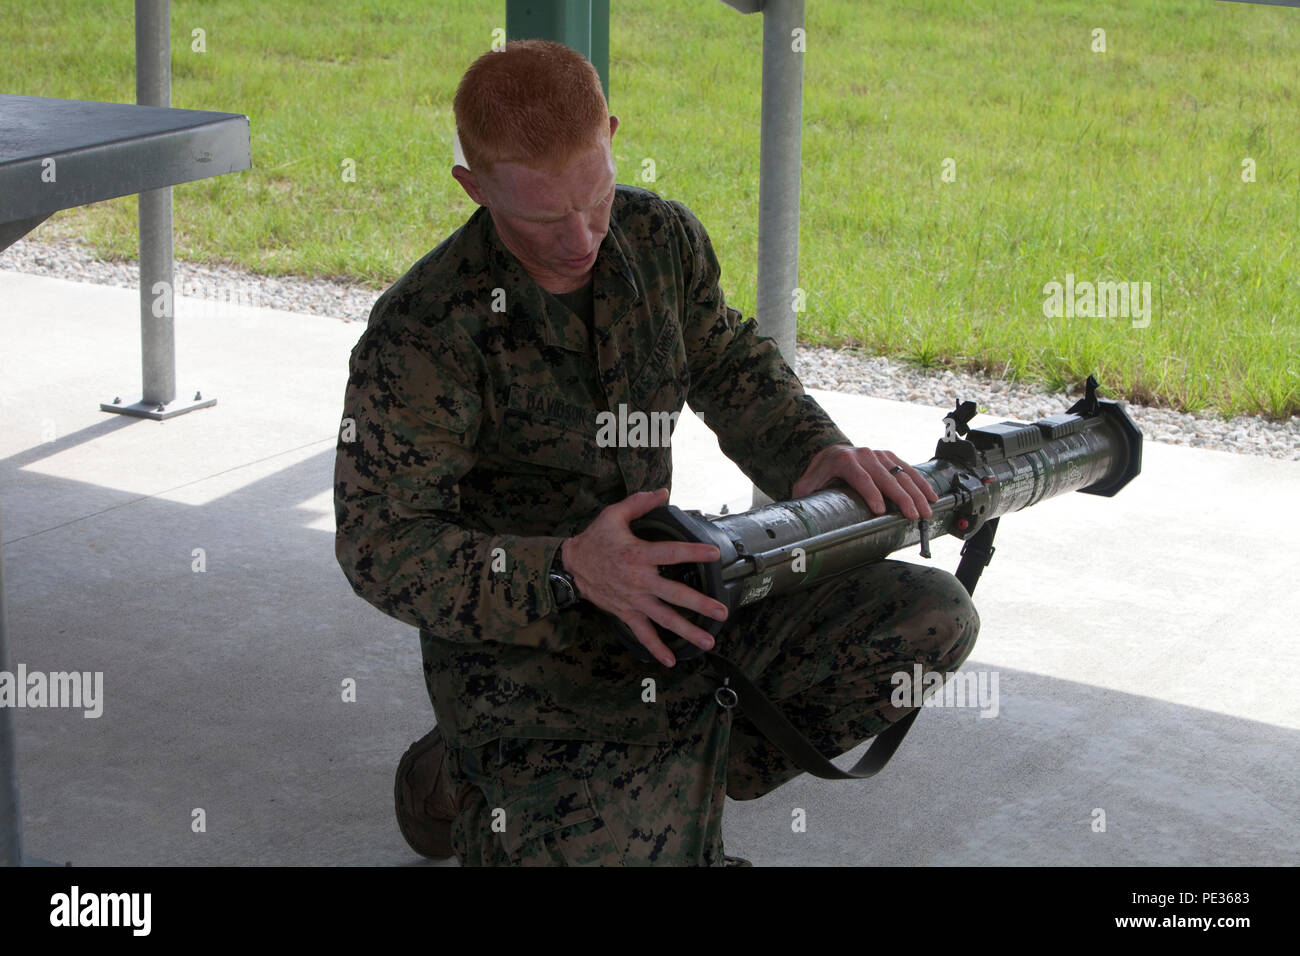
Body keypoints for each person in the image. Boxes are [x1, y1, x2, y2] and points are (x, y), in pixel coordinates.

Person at [333, 39, 979, 866]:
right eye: (540, 217)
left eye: (593, 199)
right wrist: (566, 569)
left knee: (929, 619)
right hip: (531, 648)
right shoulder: (425, 333)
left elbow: (729, 360)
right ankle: (477, 774)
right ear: (473, 184)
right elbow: (381, 547)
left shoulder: (659, 237)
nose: (579, 239)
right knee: (611, 834)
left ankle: (667, 779)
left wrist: (814, 451)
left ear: (609, 132)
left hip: (684, 596)